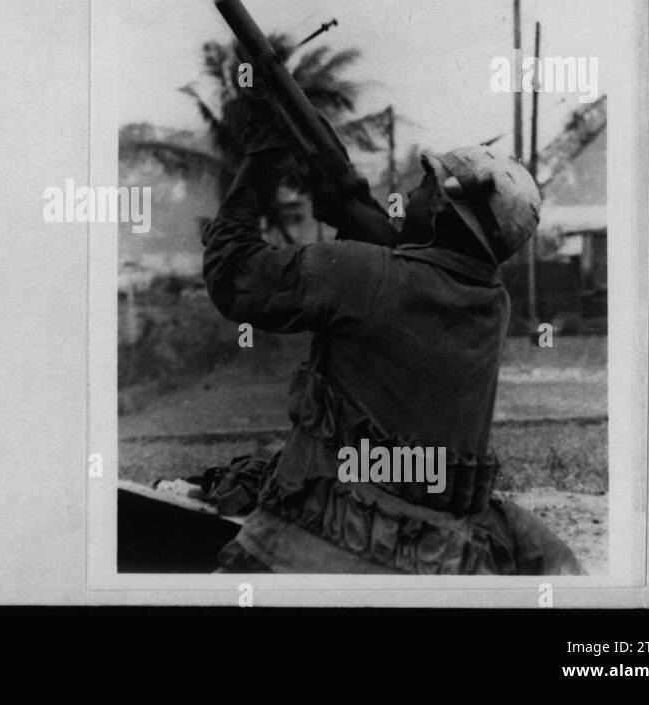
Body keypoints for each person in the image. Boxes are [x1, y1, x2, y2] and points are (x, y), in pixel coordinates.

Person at [202, 115, 583, 575]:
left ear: (442, 208)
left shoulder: (362, 274)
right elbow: (419, 266)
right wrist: (350, 209)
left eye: (426, 186)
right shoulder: (491, 304)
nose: (410, 196)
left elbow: (232, 272)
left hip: (312, 546)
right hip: (431, 556)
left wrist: (261, 155)